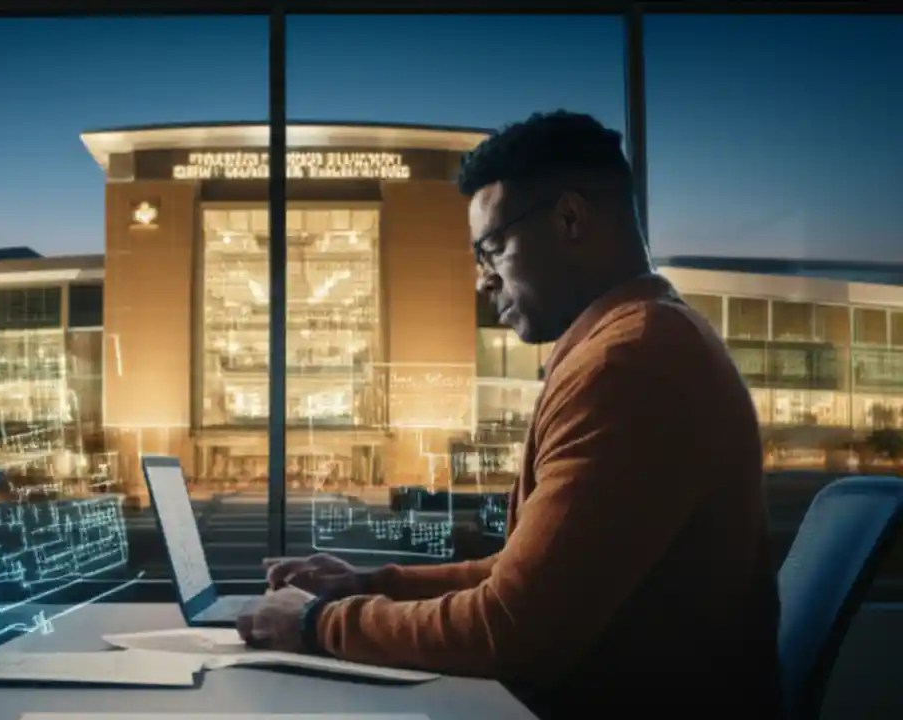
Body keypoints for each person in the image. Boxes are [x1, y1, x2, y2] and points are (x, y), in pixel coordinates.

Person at [235, 110, 783, 719]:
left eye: (492, 248)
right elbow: (517, 577)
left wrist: (318, 623)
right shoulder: (636, 342)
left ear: (570, 218)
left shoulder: (629, 365)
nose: (482, 281)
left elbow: (508, 629)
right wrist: (368, 585)